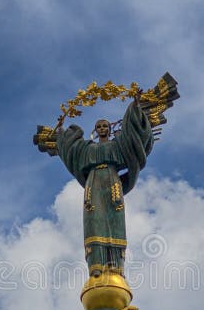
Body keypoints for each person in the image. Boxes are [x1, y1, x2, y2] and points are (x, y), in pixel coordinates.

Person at [55, 96, 154, 276]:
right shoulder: (88, 148)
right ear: (95, 130)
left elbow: (133, 136)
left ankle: (116, 265)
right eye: (99, 126)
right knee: (94, 220)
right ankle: (96, 265)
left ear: (109, 129)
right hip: (93, 183)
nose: (102, 128)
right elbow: (70, 149)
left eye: (105, 126)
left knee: (115, 219)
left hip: (112, 182)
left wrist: (135, 107)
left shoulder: (118, 145)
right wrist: (61, 131)